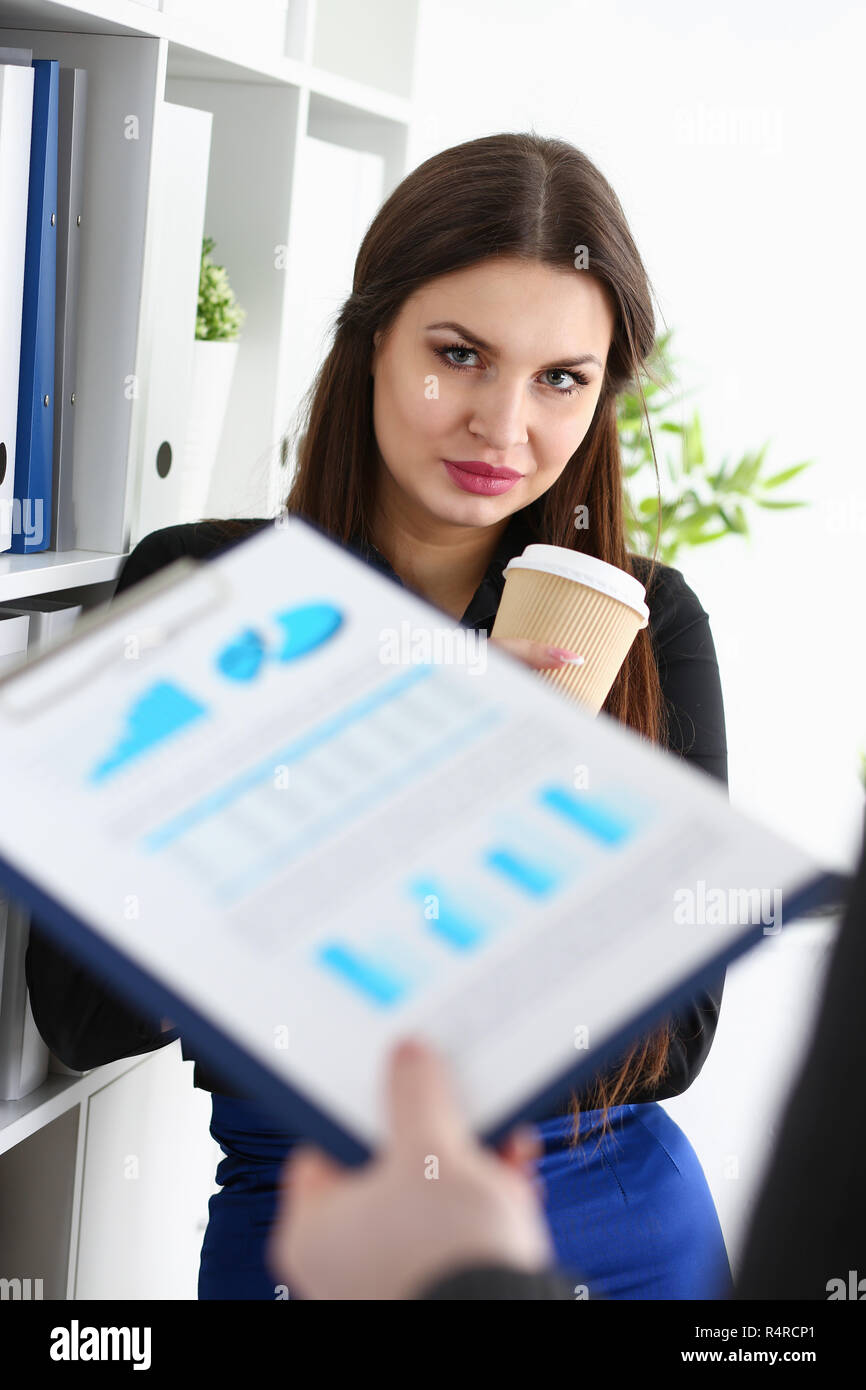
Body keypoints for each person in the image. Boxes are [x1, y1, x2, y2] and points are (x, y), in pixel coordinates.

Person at [26, 131, 731, 1300]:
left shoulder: (643, 626)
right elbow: (86, 1013)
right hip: (304, 1232)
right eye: (458, 355)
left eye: (560, 378)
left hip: (610, 1232)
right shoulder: (201, 592)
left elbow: (673, 1040)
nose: (504, 427)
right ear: (370, 344)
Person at [265, 812, 866, 1301]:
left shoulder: (639, 662)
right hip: (300, 1200)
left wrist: (460, 1278)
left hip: (612, 1189)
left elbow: (680, 1037)